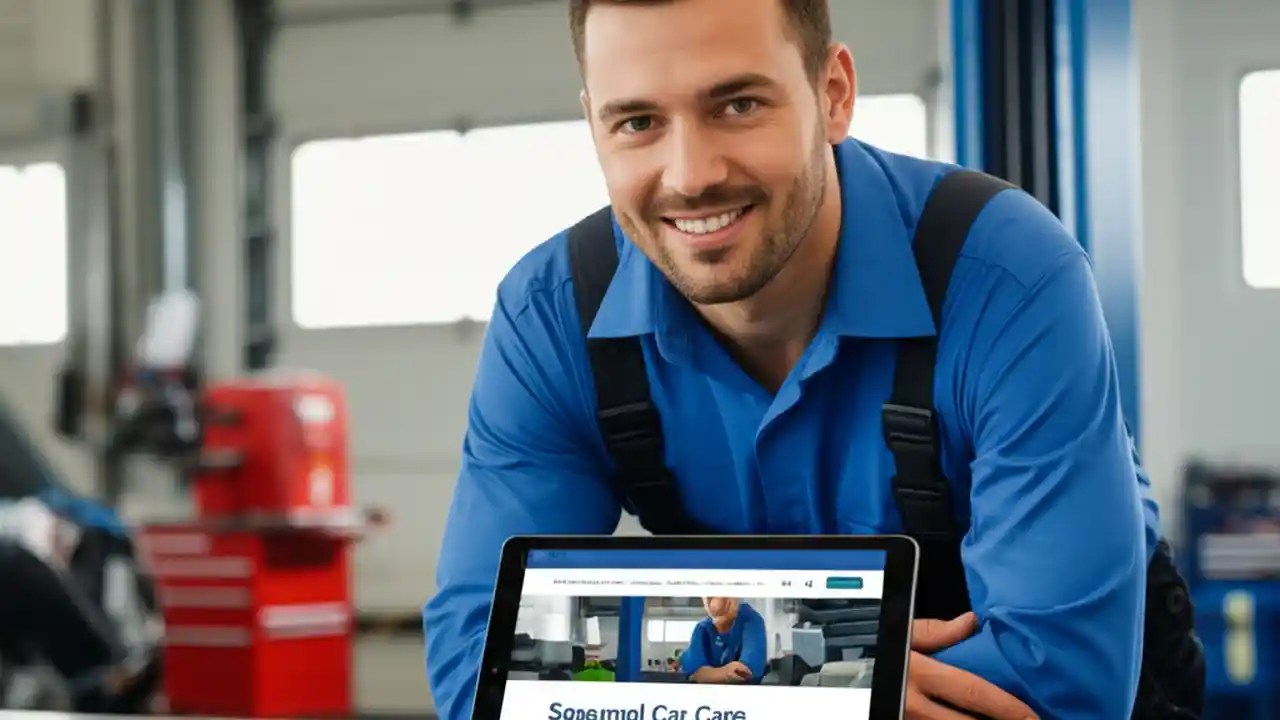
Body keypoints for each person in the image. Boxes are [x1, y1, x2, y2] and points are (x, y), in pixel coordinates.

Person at [424, 1, 1174, 718]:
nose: (690, 174)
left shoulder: (1003, 275)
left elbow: (1058, 687)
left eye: (738, 105)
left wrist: (650, 681)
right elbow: (477, 667)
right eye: (639, 121)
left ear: (834, 94)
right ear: (595, 126)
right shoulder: (553, 313)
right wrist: (834, 681)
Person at [679, 598, 766, 685]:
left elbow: (747, 672)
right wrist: (724, 672)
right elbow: (692, 672)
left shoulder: (750, 620)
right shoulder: (703, 628)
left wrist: (706, 674)